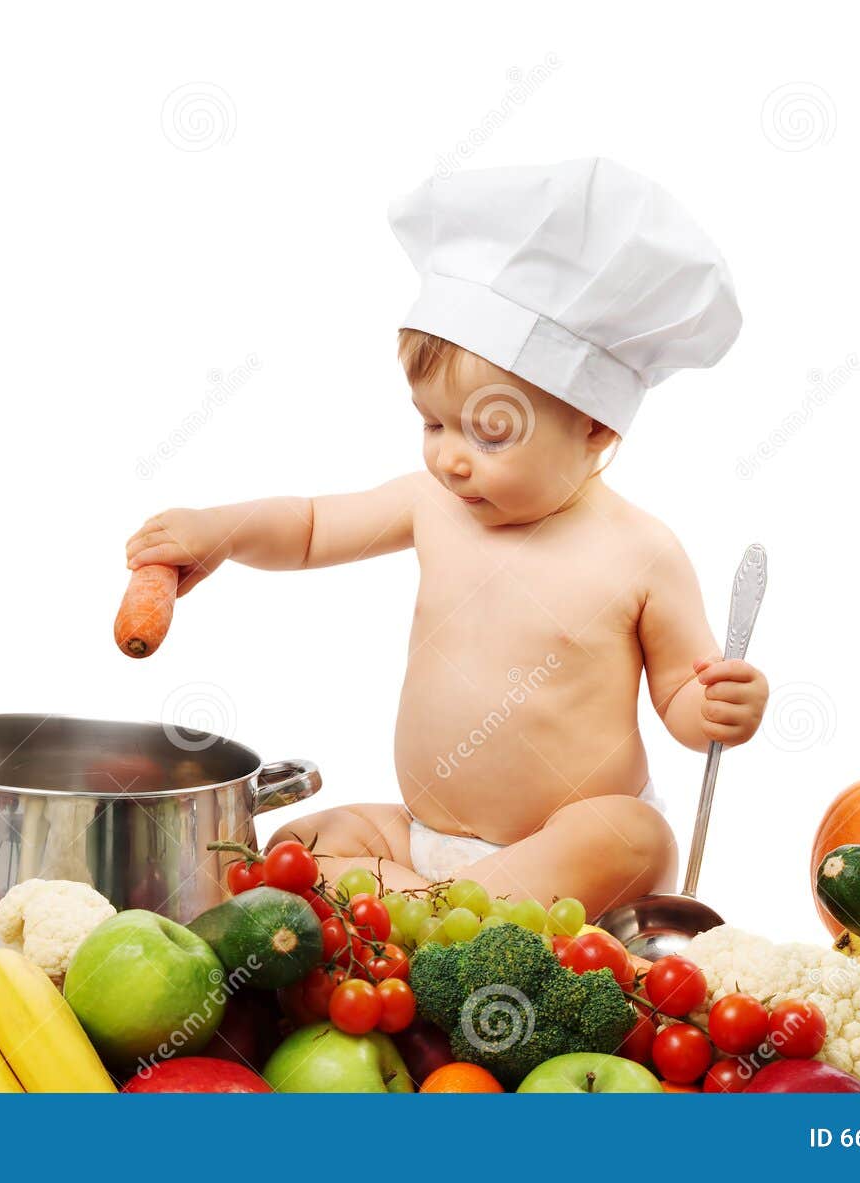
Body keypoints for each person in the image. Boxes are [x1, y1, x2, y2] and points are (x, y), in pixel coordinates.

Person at [126, 158, 768, 917]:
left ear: (594, 424)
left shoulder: (641, 552)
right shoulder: (435, 502)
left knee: (633, 835)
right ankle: (436, 907)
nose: (451, 456)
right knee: (297, 840)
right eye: (433, 422)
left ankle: (416, 912)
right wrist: (222, 531)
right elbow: (308, 527)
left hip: (561, 847)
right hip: (421, 832)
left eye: (490, 433)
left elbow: (681, 696)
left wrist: (720, 706)